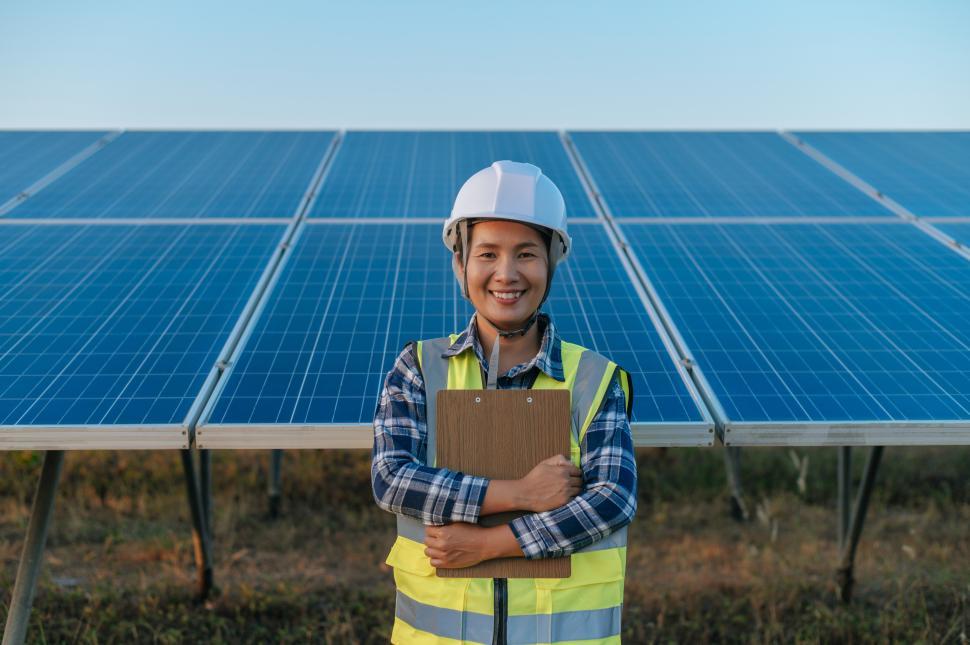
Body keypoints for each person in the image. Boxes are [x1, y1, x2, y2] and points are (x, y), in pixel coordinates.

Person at [372, 160, 638, 644]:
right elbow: (391, 478)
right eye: (488, 253)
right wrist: (519, 494)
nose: (507, 274)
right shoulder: (417, 367)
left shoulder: (594, 379)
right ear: (461, 263)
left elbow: (612, 499)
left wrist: (489, 543)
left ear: (552, 262)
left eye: (527, 254)